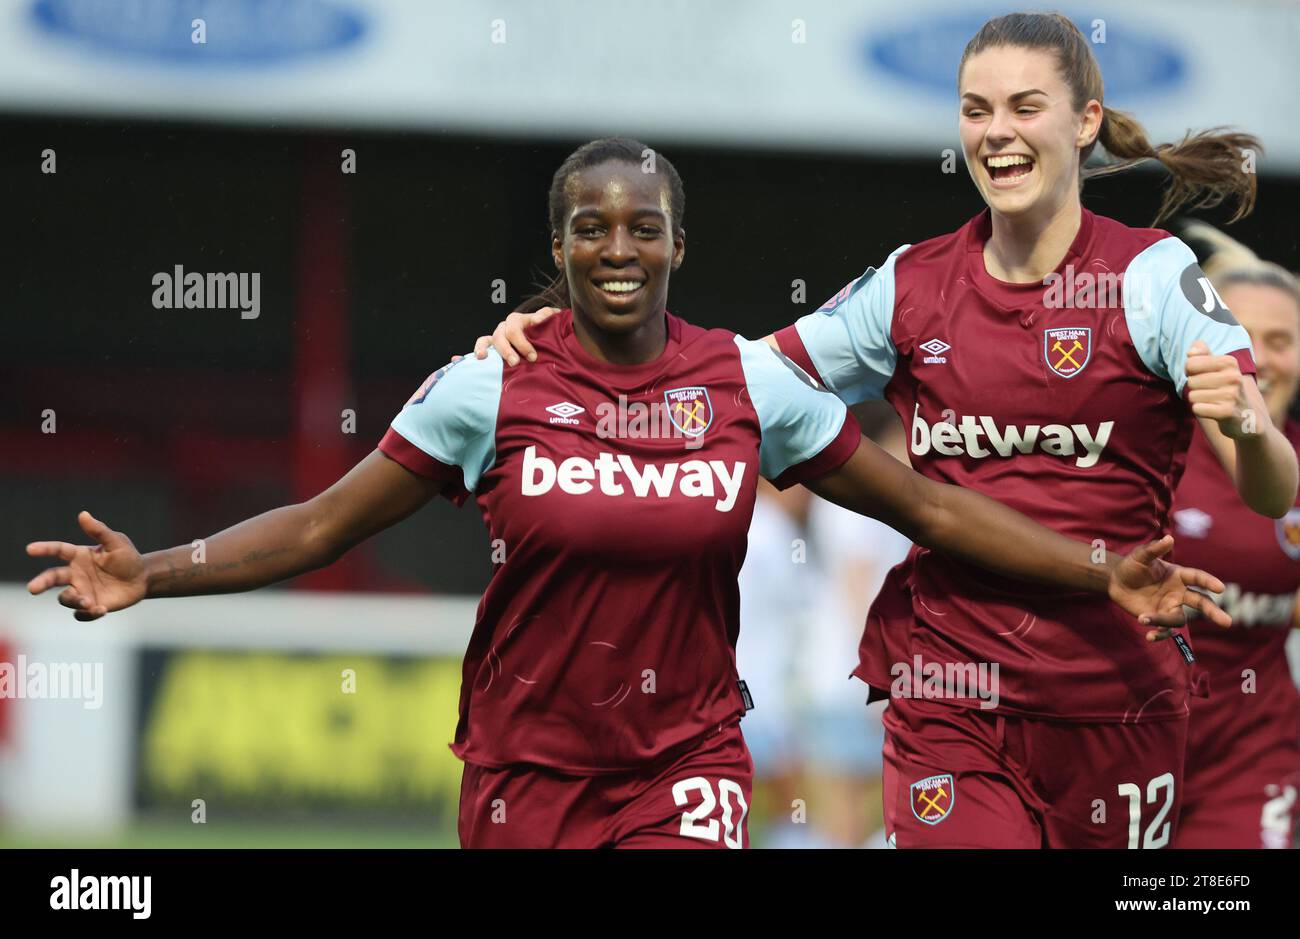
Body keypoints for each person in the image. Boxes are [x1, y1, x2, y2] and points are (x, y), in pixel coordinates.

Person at [27, 137, 1229, 850]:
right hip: (521, 771)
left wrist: (1095, 570)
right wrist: (158, 570)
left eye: (641, 229)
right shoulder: (485, 390)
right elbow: (321, 523)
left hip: (688, 760)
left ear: (677, 246)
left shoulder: (746, 382)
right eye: (590, 229)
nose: (616, 248)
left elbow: (923, 507)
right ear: (556, 250)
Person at [474, 14, 1297, 848]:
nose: (997, 133)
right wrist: (558, 347)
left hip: (1118, 699)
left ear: (1085, 122)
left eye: (1024, 106)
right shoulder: (912, 285)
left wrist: (1249, 423)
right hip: (952, 692)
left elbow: (1271, 487)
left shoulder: (1152, 275)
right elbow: (727, 381)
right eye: (976, 110)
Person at [1167, 222, 1300, 848]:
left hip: (1252, 755)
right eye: (1244, 339)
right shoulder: (1141, 446)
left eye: (1283, 341)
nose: (1263, 360)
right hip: (1120, 737)